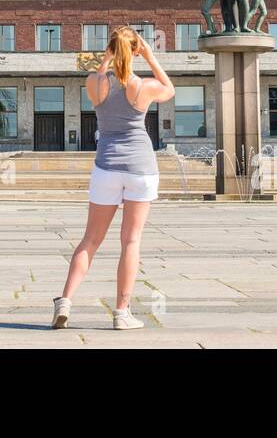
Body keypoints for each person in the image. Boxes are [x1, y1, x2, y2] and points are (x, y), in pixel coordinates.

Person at [53, 27, 175, 331]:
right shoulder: (143, 86)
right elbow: (169, 88)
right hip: (140, 167)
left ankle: (65, 302)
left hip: (106, 166)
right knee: (130, 241)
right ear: (135, 51)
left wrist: (105, 60)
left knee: (90, 240)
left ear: (108, 49)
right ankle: (122, 313)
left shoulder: (95, 83)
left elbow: (100, 74)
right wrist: (149, 55)